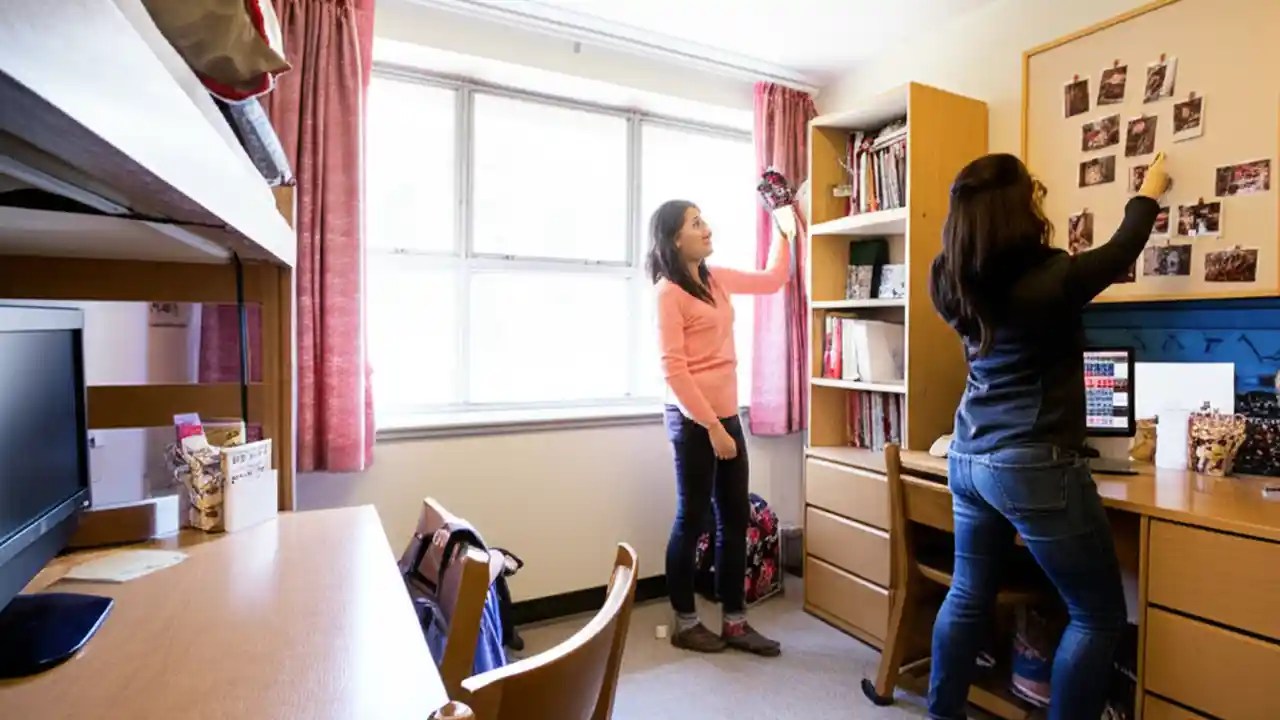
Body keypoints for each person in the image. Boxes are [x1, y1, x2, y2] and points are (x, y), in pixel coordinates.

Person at [927, 152, 1170, 719]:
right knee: (1097, 615)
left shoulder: (949, 276)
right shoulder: (1052, 278)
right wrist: (1150, 189)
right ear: (1019, 209)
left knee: (967, 594)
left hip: (968, 455)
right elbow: (1121, 249)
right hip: (1031, 463)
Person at [648, 198, 794, 657]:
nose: (707, 228)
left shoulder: (716, 280)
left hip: (726, 417)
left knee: (735, 519)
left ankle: (735, 622)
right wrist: (712, 426)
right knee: (692, 518)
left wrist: (784, 229)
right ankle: (686, 622)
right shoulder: (669, 292)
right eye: (696, 223)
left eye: (704, 220)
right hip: (694, 422)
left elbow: (773, 280)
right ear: (675, 238)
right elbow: (674, 372)